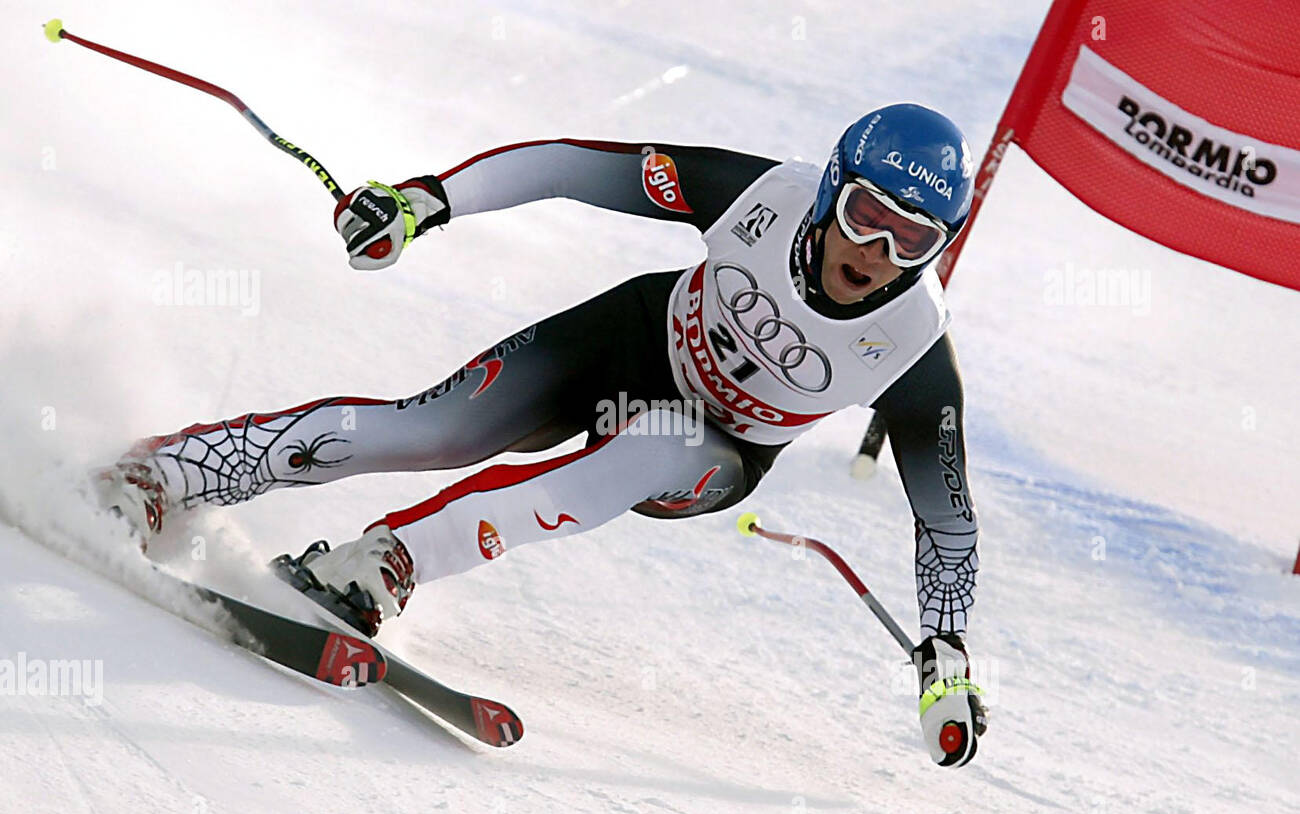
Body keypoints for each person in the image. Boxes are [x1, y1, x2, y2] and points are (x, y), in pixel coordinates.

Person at [96, 102, 988, 766]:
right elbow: (570, 164)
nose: (877, 254)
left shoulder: (914, 345)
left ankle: (387, 563)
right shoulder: (763, 197)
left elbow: (947, 521)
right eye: (867, 215)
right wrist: (423, 202)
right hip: (632, 339)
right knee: (433, 429)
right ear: (831, 189)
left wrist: (945, 655)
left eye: (912, 239)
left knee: (658, 444)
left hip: (719, 451)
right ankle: (167, 472)